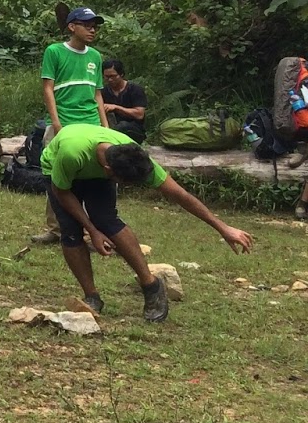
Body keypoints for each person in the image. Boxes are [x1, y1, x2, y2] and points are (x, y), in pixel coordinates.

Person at [41, 122, 253, 321]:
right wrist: (92, 231)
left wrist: (223, 228)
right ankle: (92, 297)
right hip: (60, 169)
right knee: (70, 230)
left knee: (107, 220)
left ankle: (151, 285)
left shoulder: (132, 155)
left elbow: (181, 195)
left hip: (94, 168)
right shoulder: (71, 154)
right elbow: (62, 192)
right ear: (109, 171)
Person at [31, 6, 109, 245]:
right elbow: (48, 88)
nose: (92, 30)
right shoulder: (54, 52)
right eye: (87, 25)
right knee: (55, 176)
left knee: (93, 178)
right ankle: (56, 229)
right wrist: (56, 123)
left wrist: (105, 127)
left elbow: (97, 94)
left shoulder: (95, 57)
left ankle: (96, 231)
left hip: (91, 124)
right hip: (64, 123)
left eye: (94, 26)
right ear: (72, 26)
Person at [101, 58, 148, 143]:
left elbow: (139, 114)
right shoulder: (103, 92)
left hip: (134, 130)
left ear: (121, 74)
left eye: (113, 76)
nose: (110, 80)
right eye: (107, 77)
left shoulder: (135, 89)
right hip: (111, 128)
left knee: (123, 126)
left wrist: (116, 108)